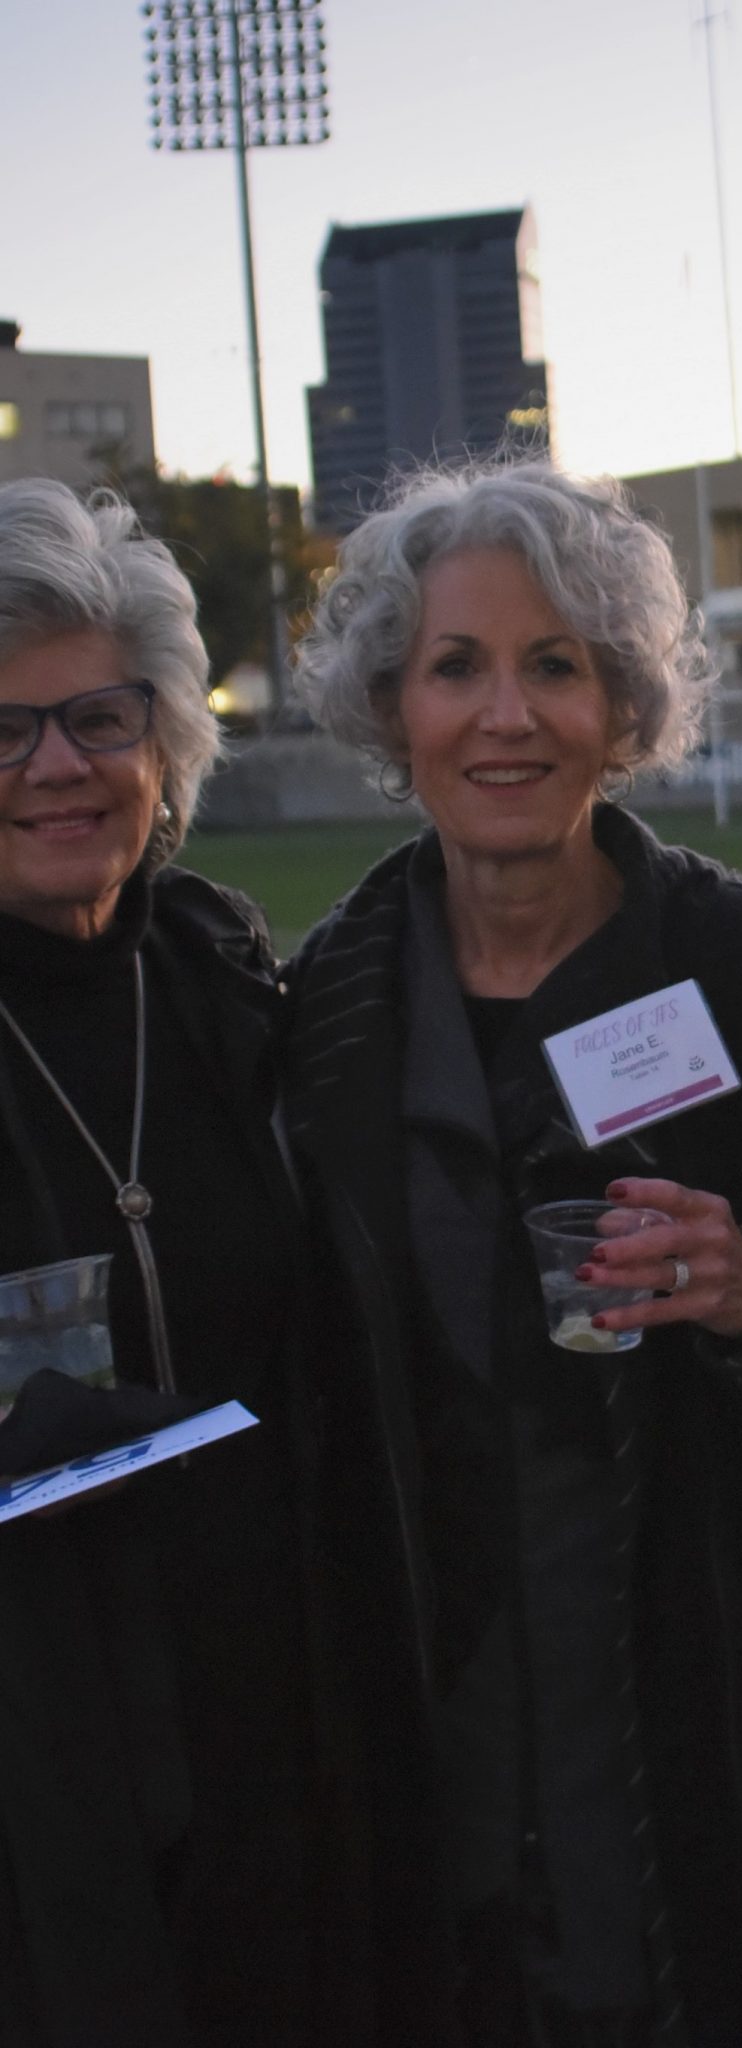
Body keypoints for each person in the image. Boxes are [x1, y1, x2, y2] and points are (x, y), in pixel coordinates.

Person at [284, 461, 742, 2048]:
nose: (506, 716)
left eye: (556, 664)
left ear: (623, 705)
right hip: (439, 1738)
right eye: (456, 667)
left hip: (727, 1711)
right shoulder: (326, 1013)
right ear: (393, 707)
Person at [0, 480, 333, 2044]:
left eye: (97, 717)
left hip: (275, 1736)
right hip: (36, 1788)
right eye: (1, 731)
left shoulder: (222, 976)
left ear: (166, 741)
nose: (57, 765)